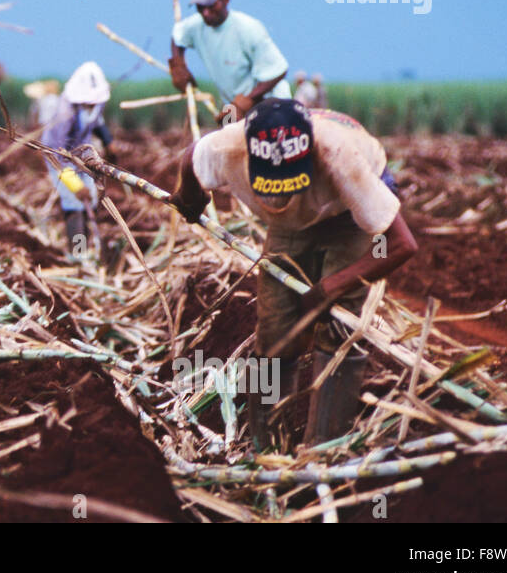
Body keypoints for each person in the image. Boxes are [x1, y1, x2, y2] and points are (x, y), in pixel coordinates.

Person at [167, 99, 417, 450]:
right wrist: (191, 198)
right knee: (274, 332)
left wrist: (336, 284)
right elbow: (191, 158)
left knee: (338, 327)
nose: (281, 191)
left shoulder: (339, 156)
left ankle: (325, 450)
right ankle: (266, 445)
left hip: (346, 213)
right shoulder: (228, 146)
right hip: (291, 225)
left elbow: (403, 244)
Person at [169, 0, 292, 124]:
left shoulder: (248, 29)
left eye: (211, 5)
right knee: (223, 143)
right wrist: (178, 65)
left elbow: (278, 70)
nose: (206, 13)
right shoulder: (196, 25)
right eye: (200, 7)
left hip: (269, 104)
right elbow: (177, 36)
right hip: (233, 108)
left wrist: (245, 102)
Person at [42, 62, 115, 257]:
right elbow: (58, 154)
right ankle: (78, 252)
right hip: (58, 157)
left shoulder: (98, 103)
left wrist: (109, 143)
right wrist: (74, 185)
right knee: (74, 202)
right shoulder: (65, 114)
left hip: (81, 154)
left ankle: (90, 247)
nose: (92, 103)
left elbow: (98, 122)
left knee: (91, 199)